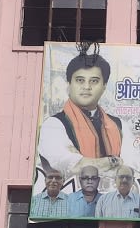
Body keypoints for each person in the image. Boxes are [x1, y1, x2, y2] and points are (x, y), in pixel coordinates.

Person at [37, 51, 123, 179]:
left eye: (94, 81)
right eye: (80, 80)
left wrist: (83, 160)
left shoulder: (118, 124)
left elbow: (133, 169)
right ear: (69, 85)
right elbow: (70, 165)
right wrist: (113, 162)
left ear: (104, 86)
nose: (86, 87)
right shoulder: (54, 124)